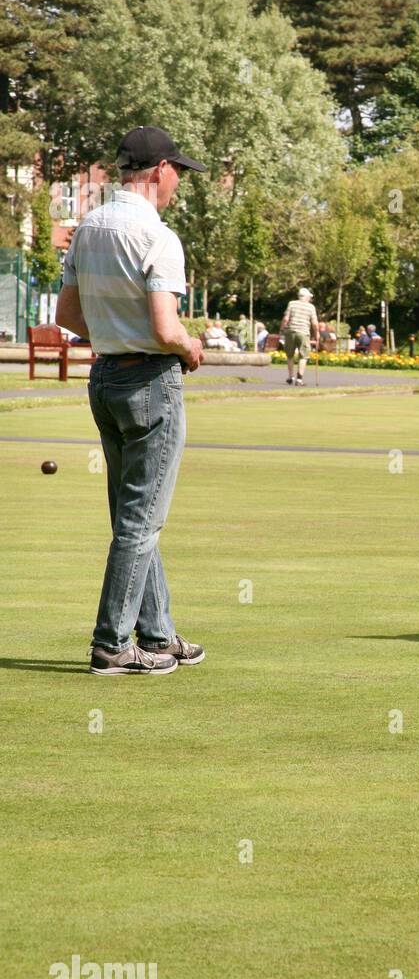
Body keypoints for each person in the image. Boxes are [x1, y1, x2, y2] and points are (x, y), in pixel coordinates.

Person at [55, 125, 208, 676]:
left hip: (105, 381)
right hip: (151, 383)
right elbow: (167, 330)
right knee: (142, 522)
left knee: (133, 514)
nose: (178, 186)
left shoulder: (87, 228)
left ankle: (159, 635)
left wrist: (115, 333)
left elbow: (67, 317)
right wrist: (190, 346)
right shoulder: (159, 236)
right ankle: (113, 644)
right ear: (160, 170)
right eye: (178, 175)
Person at [281, 287, 319, 385]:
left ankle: (290, 377)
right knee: (303, 356)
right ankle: (299, 379)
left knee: (290, 355)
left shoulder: (291, 303)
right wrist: (317, 334)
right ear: (306, 297)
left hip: (291, 332)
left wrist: (281, 329)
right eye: (309, 297)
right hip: (303, 333)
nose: (310, 299)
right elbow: (314, 323)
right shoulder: (311, 307)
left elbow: (286, 319)